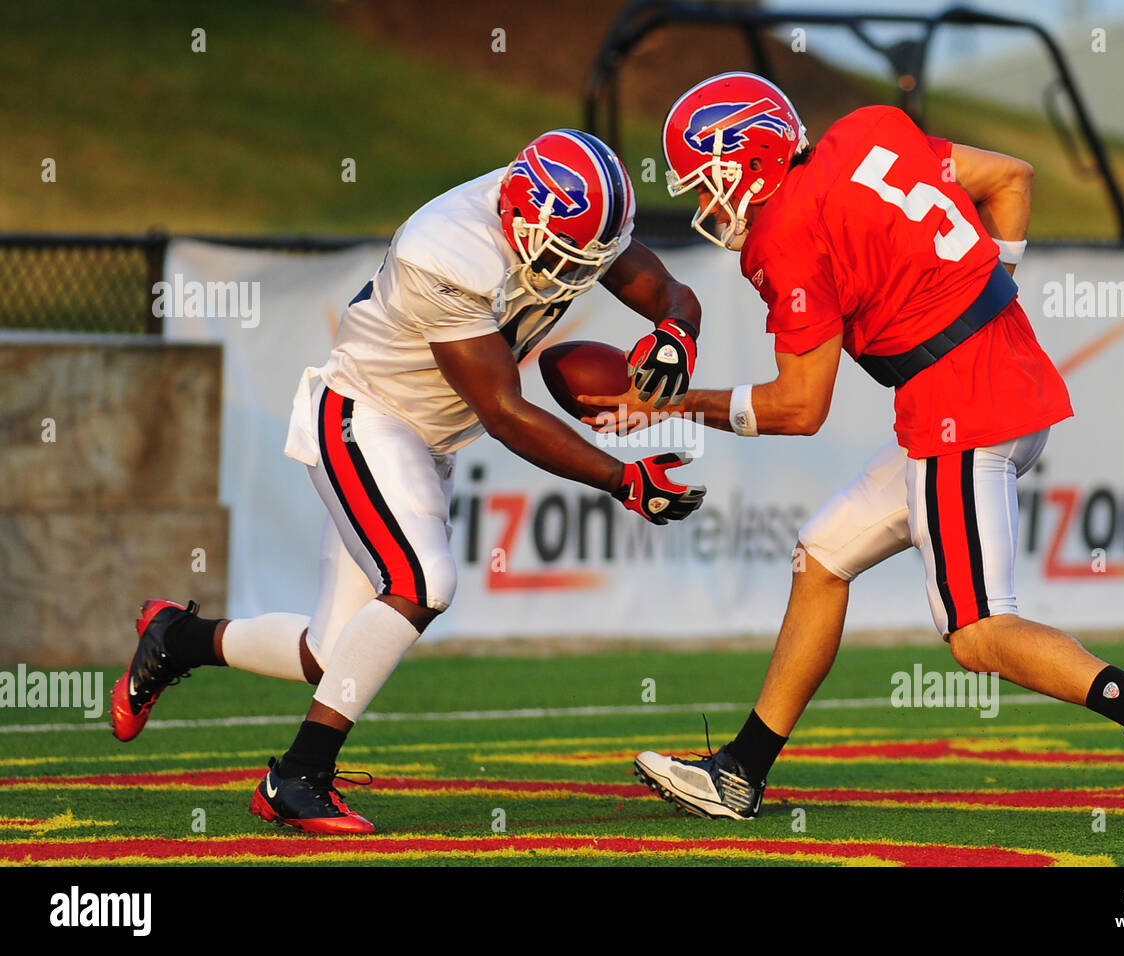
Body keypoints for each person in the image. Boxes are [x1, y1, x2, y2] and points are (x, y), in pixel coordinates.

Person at [586, 73, 1124, 837]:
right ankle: (742, 773)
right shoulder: (868, 132)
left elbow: (801, 408)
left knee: (978, 632)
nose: (704, 205)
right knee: (821, 555)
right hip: (1004, 370)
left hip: (962, 408)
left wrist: (673, 406)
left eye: (706, 183)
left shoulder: (786, 233)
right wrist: (986, 287)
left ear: (746, 162)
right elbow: (1012, 179)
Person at [109, 129, 707, 834]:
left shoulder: (572, 214)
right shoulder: (449, 248)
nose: (571, 276)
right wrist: (621, 479)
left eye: (587, 261)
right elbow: (506, 412)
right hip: (366, 417)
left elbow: (668, 289)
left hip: (426, 439)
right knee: (424, 582)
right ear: (518, 217)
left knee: (330, 656)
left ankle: (177, 639)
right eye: (561, 256)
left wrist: (676, 334)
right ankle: (296, 776)